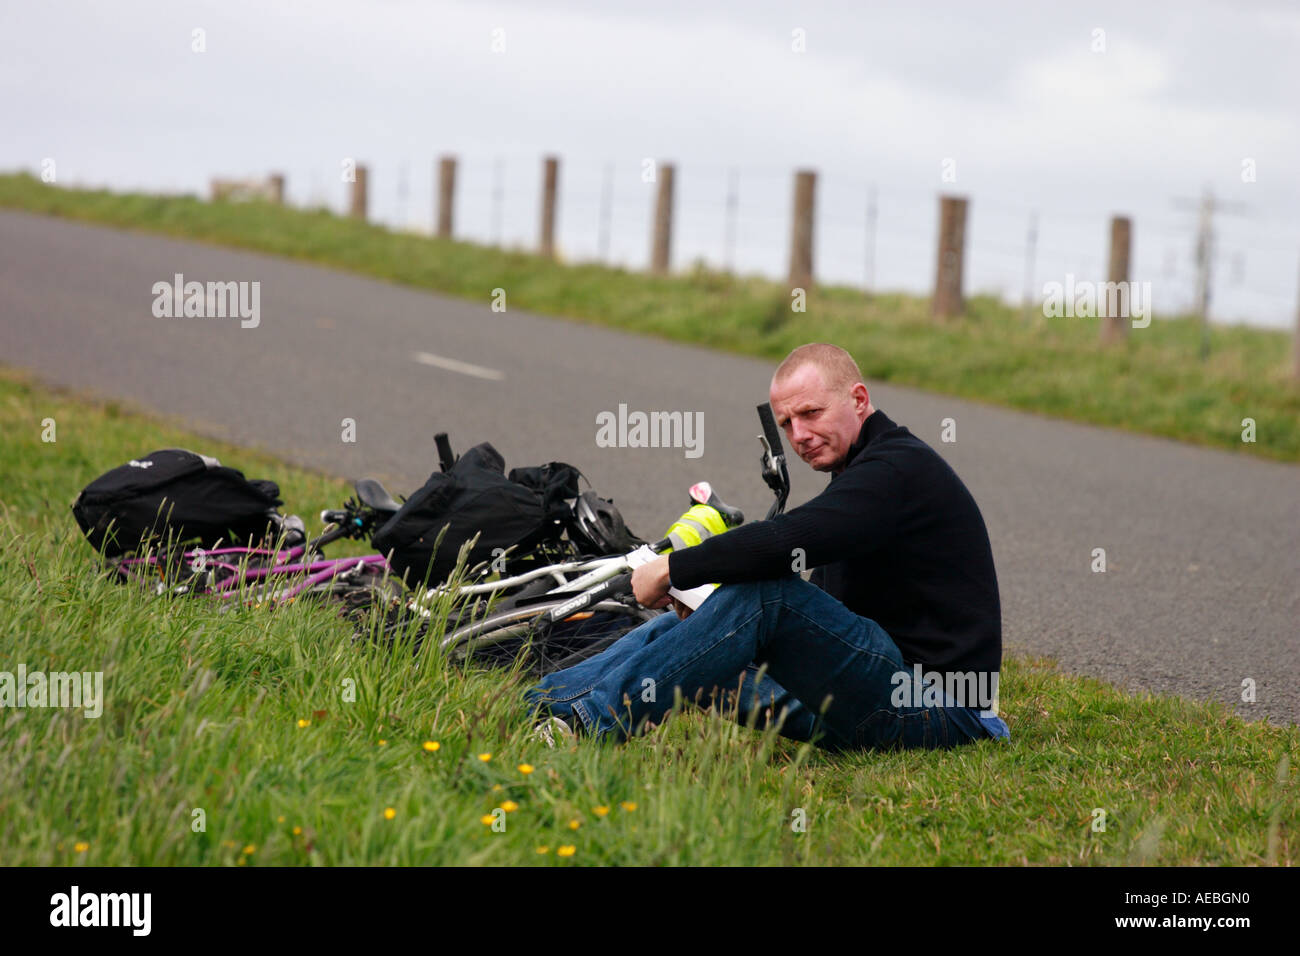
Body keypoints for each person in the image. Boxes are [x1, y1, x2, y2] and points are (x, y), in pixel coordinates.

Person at [524, 342, 1010, 750]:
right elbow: (824, 616)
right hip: (866, 698)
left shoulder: (896, 471)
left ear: (859, 399)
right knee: (686, 633)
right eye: (787, 424)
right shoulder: (858, 478)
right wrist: (716, 618)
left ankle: (589, 725)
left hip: (937, 707)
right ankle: (541, 710)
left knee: (768, 595)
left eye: (811, 413)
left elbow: (786, 542)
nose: (799, 436)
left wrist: (674, 567)